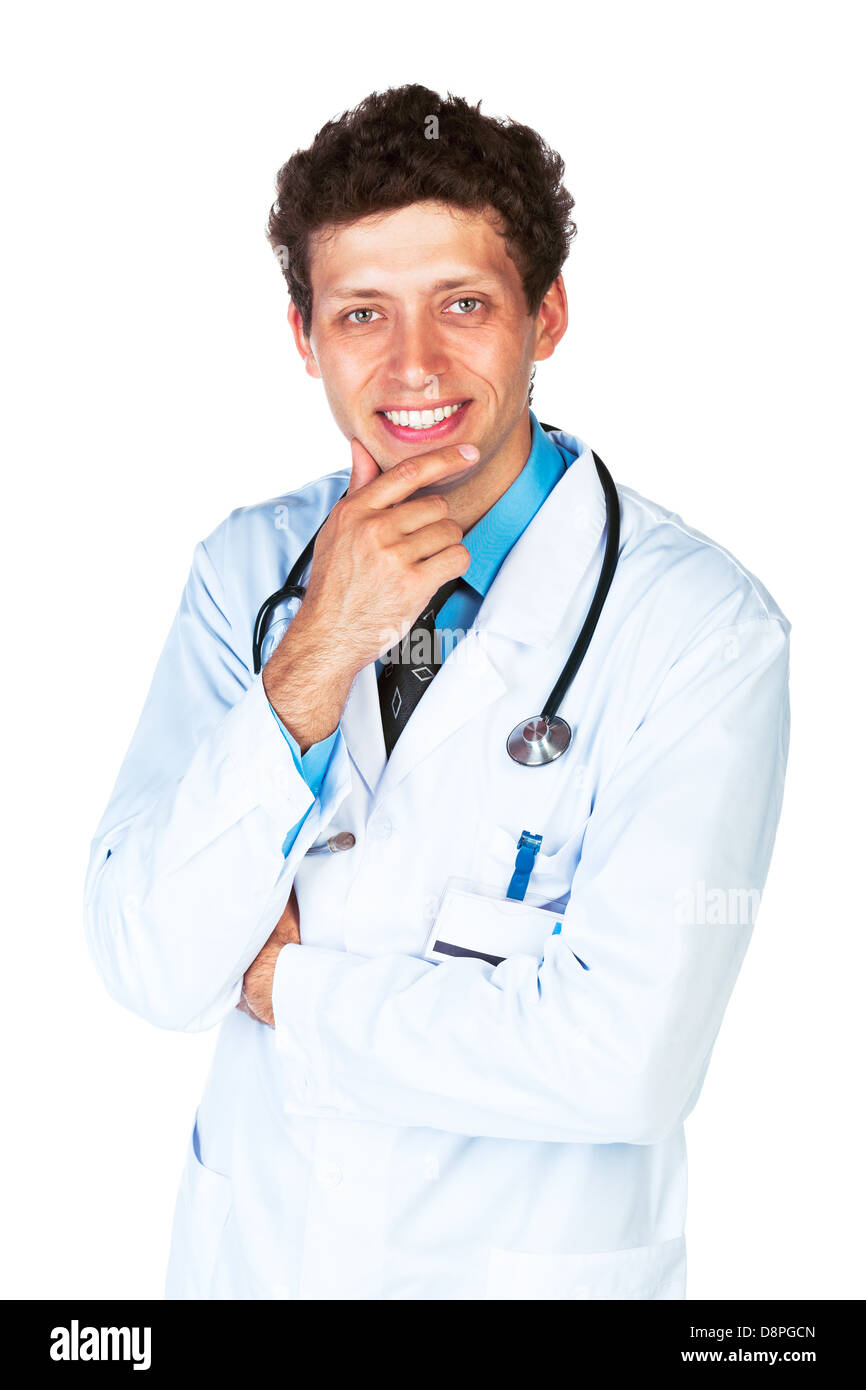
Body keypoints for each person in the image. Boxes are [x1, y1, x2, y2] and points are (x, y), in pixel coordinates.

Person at [84, 84, 791, 1300]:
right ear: (304, 338)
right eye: (362, 313)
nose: (412, 365)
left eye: (462, 304)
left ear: (545, 315)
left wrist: (286, 987)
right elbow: (150, 959)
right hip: (256, 1261)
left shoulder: (700, 629)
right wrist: (321, 647)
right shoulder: (248, 575)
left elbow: (626, 1062)